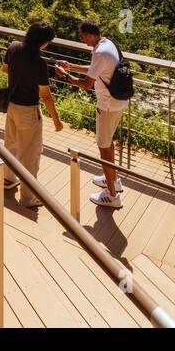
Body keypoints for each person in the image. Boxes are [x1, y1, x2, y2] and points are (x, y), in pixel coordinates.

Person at [55, 20, 127, 209]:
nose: (81, 39)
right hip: (117, 102)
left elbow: (87, 84)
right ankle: (113, 180)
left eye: (82, 36)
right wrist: (71, 66)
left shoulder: (101, 52)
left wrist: (65, 75)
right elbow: (95, 71)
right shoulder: (106, 44)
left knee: (103, 147)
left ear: (90, 34)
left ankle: (112, 195)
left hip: (108, 106)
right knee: (108, 142)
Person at [1, 22, 63, 207]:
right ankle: (28, 197)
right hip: (29, 111)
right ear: (43, 42)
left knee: (11, 144)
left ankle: (8, 179)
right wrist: (57, 120)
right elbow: (46, 96)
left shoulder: (13, 47)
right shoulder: (39, 63)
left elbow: (4, 69)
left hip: (12, 106)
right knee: (30, 154)